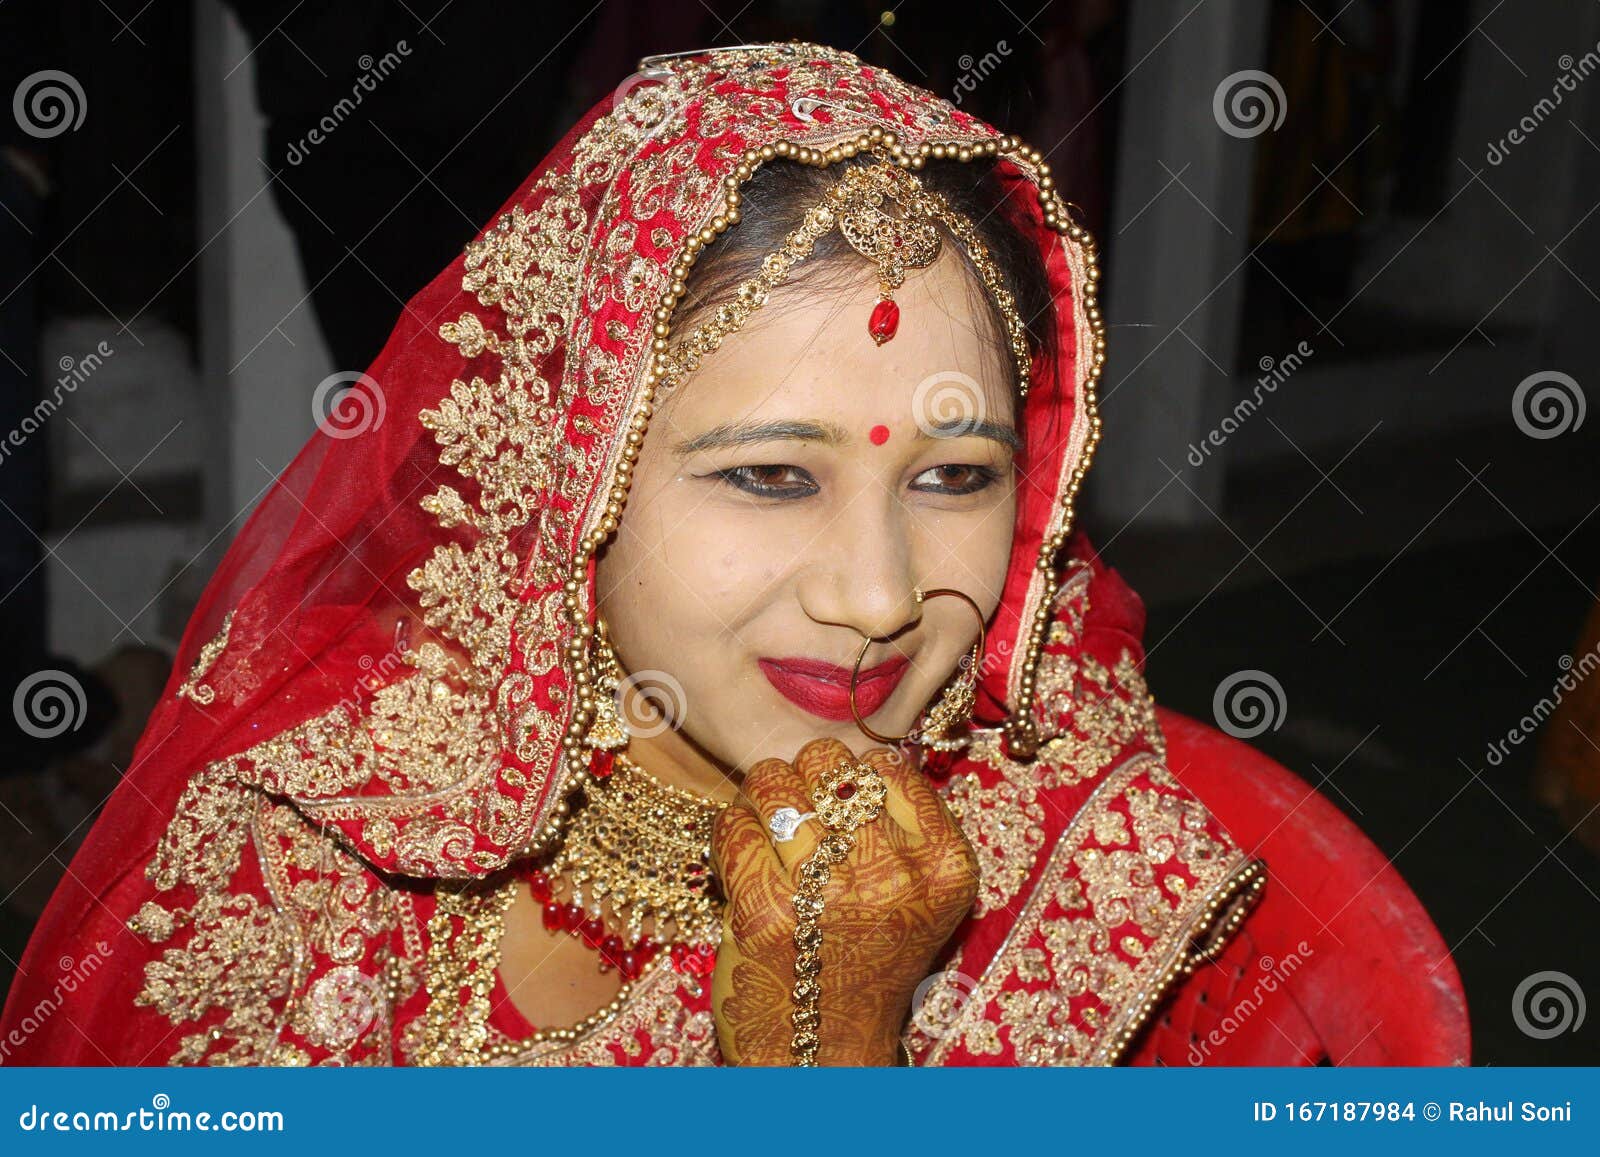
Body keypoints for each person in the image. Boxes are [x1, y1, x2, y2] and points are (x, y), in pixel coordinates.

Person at [0, 41, 1266, 1067]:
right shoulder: (323, 837)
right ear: (570, 468)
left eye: (953, 476)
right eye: (771, 475)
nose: (881, 598)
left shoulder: (1076, 855)